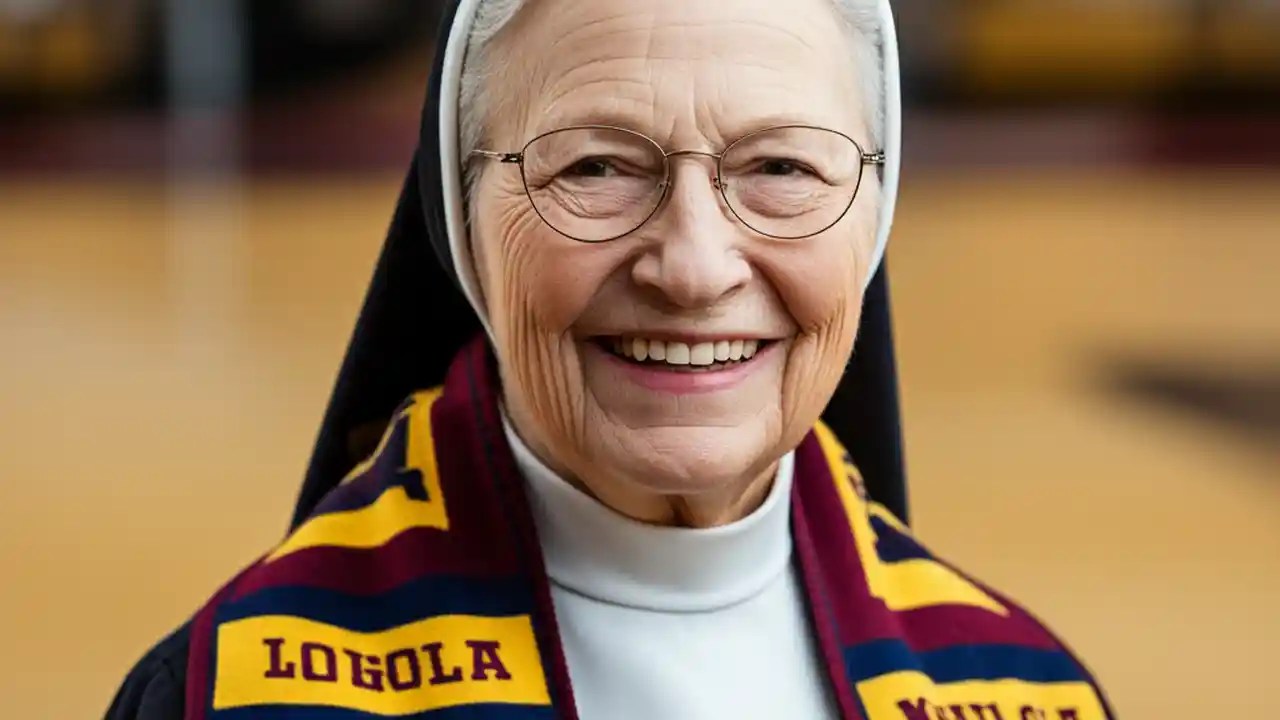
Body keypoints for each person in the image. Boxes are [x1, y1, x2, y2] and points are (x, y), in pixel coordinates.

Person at [108, 0, 1115, 718]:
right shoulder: (228, 696)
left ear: (871, 220)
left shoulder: (1025, 690)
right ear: (463, 223)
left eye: (779, 168)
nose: (690, 265)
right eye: (594, 166)